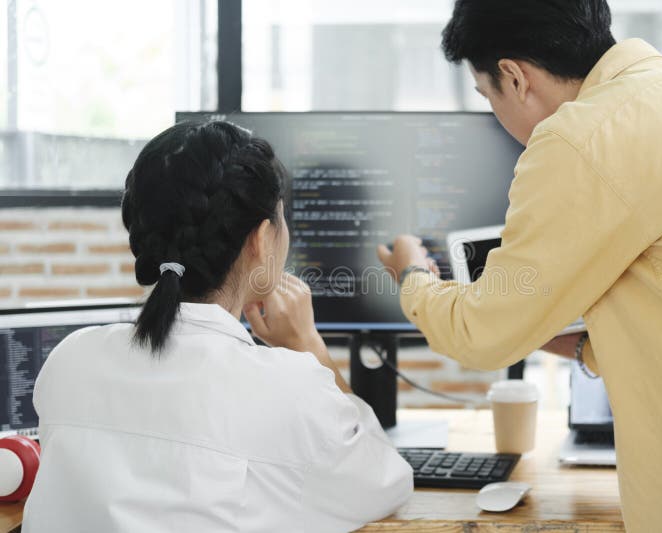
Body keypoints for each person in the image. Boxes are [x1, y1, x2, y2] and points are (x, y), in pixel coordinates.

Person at [377, 1, 662, 531]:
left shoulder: (583, 136)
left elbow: (481, 334)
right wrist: (575, 344)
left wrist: (414, 276)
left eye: (487, 96)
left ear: (514, 76)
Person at [24, 121, 412, 532]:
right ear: (261, 239)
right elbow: (385, 480)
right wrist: (307, 344)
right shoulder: (287, 388)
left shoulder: (69, 360)